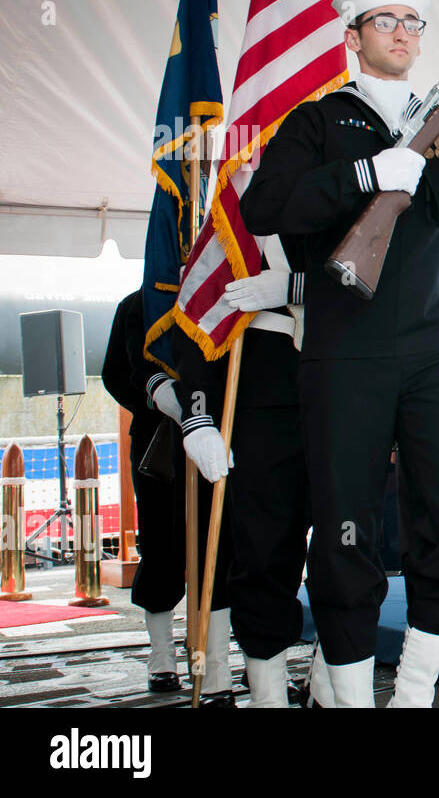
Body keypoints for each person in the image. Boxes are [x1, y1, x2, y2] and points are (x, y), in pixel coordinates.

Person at [241, 0, 439, 706]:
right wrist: (363, 174)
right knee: (346, 541)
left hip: (428, 348)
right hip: (343, 355)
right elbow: (263, 207)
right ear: (354, 35)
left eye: (415, 22)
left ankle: (410, 692)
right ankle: (347, 696)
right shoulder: (319, 122)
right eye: (386, 21)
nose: (404, 33)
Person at [171, 239, 311, 708]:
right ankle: (268, 691)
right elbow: (202, 322)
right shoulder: (236, 220)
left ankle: (332, 683)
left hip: (342, 394)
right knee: (264, 552)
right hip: (260, 402)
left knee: (348, 550)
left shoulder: (341, 197)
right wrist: (198, 412)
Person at [101, 288, 234, 704]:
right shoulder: (138, 307)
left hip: (215, 435)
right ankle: (162, 657)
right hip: (158, 443)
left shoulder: (216, 294)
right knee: (159, 547)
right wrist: (157, 399)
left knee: (217, 548)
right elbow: (114, 374)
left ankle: (215, 662)